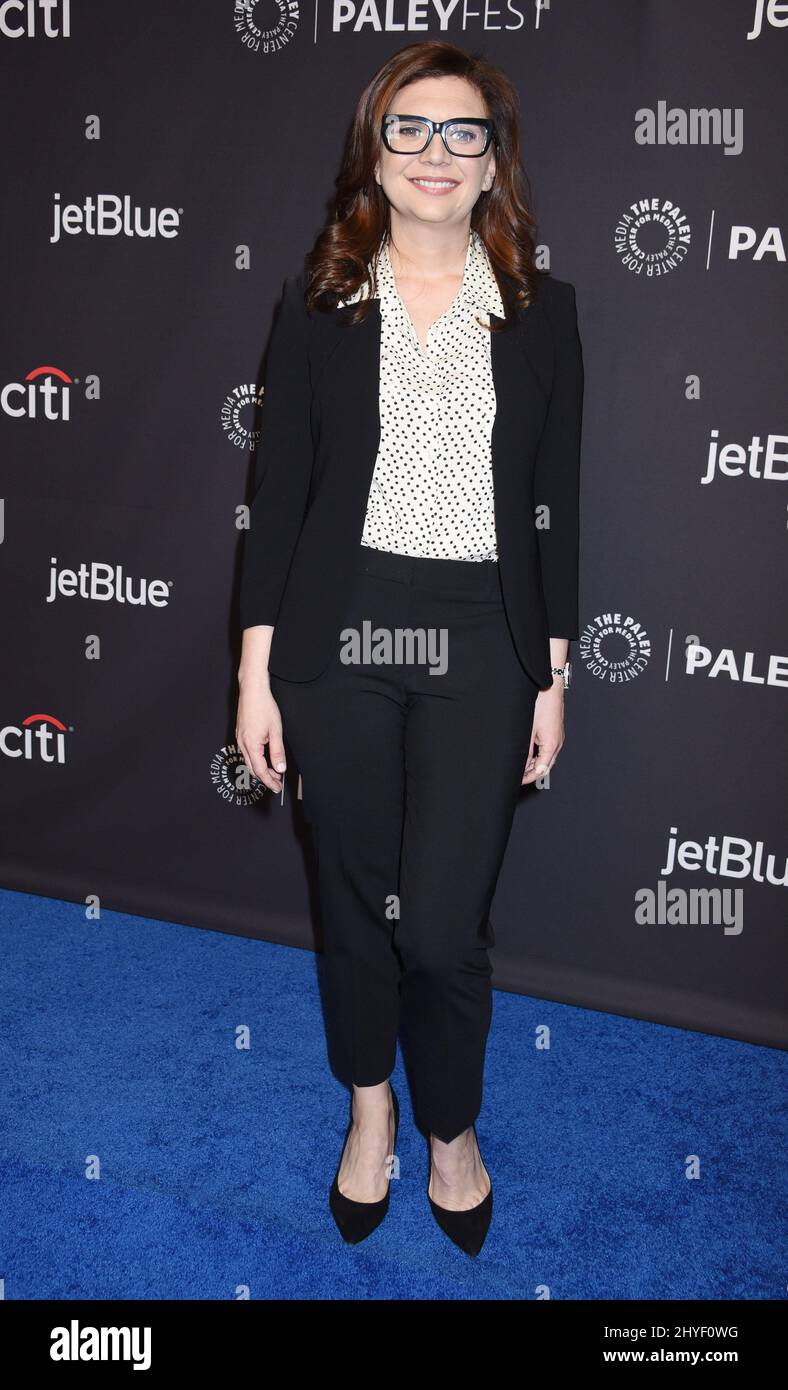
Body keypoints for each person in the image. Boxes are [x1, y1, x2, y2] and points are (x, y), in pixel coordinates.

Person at [236, 38, 584, 1258]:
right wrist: (254, 671)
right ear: (372, 155)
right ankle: (371, 1112)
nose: (434, 154)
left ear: (493, 165)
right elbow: (276, 498)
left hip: (484, 639)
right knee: (347, 899)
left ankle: (453, 1126)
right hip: (340, 633)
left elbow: (555, 499)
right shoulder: (317, 303)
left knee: (439, 926)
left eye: (461, 133)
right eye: (409, 130)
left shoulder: (543, 311)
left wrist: (552, 672)